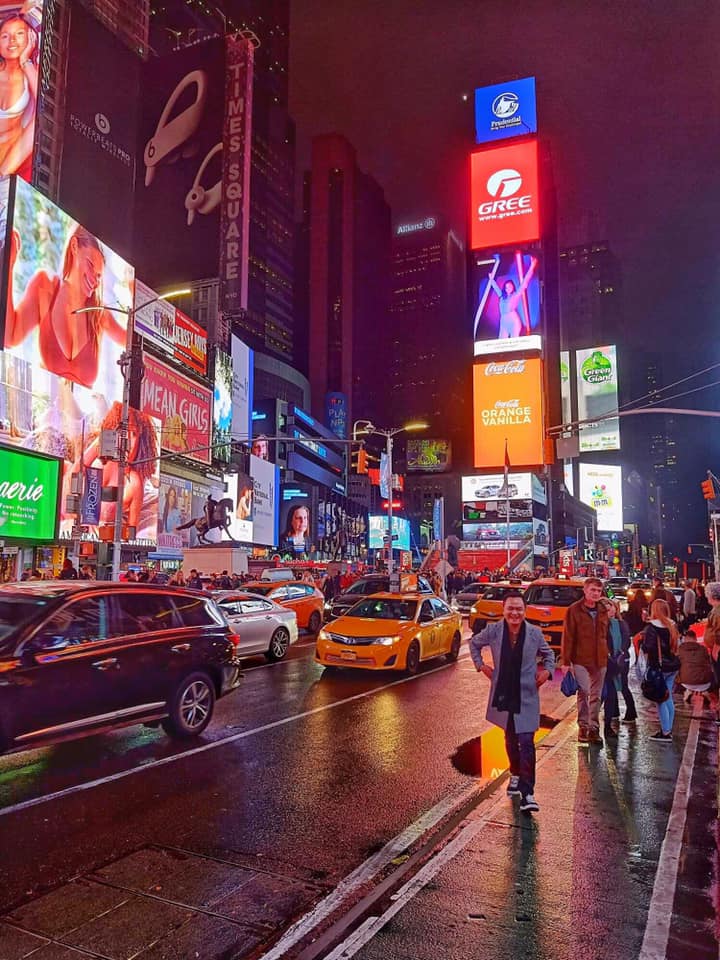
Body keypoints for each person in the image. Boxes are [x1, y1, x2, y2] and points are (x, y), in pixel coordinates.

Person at [5, 225, 126, 389]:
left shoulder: (98, 314)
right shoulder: (45, 286)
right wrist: (8, 265)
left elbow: (131, 342)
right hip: (44, 410)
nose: (94, 280)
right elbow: (9, 337)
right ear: (74, 247)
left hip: (87, 415)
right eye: (90, 265)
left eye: (99, 275)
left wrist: (133, 292)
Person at [470, 592, 554, 813]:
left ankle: (528, 793)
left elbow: (549, 654)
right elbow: (474, 644)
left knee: (526, 741)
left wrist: (548, 671)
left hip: (526, 693)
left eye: (519, 609)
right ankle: (515, 773)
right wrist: (482, 666)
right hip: (504, 692)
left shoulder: (534, 633)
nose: (515, 613)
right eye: (511, 609)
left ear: (524, 611)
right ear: (504, 610)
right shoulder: (494, 630)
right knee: (509, 737)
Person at [82, 403, 158, 535]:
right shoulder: (96, 461)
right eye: (123, 433)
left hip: (105, 540)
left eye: (134, 434)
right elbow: (70, 480)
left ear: (142, 440)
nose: (128, 442)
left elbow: (132, 530)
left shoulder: (134, 482)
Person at [561, 577, 609, 744]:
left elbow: (607, 634)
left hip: (600, 658)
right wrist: (566, 662)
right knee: (584, 692)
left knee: (596, 695)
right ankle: (583, 726)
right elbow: (568, 636)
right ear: (585, 590)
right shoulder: (574, 610)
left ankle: (594, 728)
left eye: (598, 591)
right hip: (580, 657)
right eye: (592, 590)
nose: (596, 593)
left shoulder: (603, 609)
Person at [0, 12, 39, 179]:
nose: (12, 41)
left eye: (19, 34)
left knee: (40, 119)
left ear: (31, 38)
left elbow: (46, 106)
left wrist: (25, 61)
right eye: (5, 36)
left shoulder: (30, 74)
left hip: (9, 160)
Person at [641, 599, 681, 742]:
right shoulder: (672, 625)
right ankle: (668, 729)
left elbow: (648, 647)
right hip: (673, 665)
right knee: (667, 695)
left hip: (659, 667)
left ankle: (665, 732)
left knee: (660, 699)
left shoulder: (652, 627)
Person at [480, 254, 538, 339]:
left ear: (513, 287)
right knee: (501, 342)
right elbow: (495, 287)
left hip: (513, 320)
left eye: (510, 286)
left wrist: (532, 266)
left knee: (514, 342)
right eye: (506, 287)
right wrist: (491, 279)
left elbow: (525, 282)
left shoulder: (515, 295)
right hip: (503, 320)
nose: (508, 288)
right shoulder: (502, 296)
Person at [601, 599, 636, 735]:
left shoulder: (620, 624)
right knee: (611, 689)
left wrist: (619, 654)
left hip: (621, 660)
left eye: (611, 609)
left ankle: (631, 711)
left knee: (622, 685)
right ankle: (613, 712)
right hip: (610, 661)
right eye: (606, 610)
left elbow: (626, 641)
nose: (609, 612)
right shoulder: (604, 625)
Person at [678, 629, 719, 718]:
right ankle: (704, 692)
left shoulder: (680, 650)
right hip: (705, 683)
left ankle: (688, 691)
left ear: (685, 639)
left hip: (686, 682)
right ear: (695, 639)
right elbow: (709, 664)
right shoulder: (703, 649)